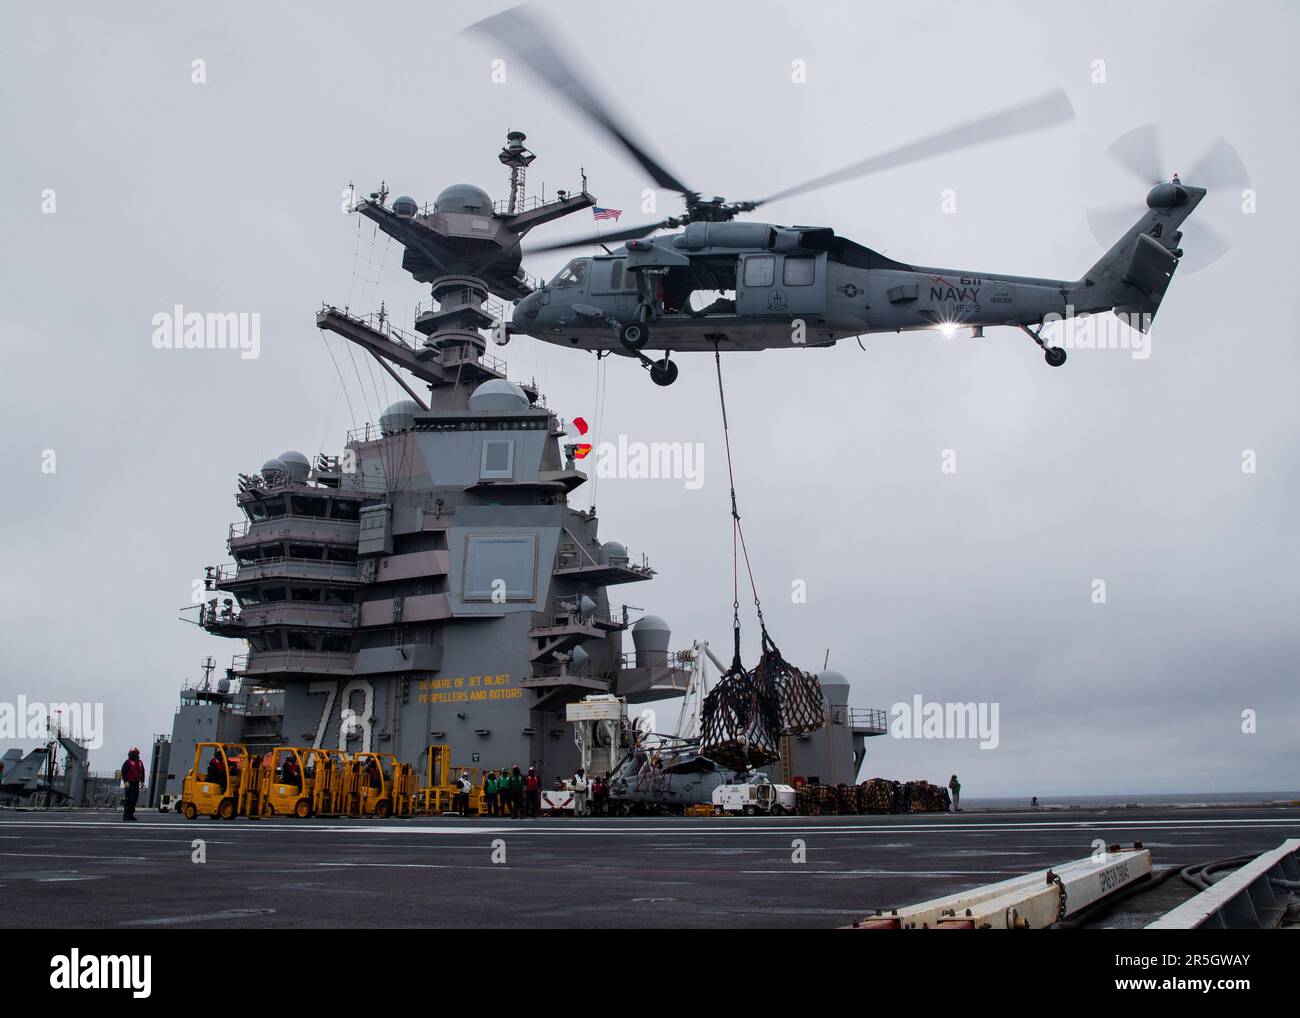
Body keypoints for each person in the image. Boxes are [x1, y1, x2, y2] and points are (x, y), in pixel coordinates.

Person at [121, 747, 145, 822]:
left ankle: (131, 814)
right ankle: (126, 815)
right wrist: (126, 782)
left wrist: (142, 781)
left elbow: (142, 772)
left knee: (135, 798)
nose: (135, 754)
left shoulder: (140, 762)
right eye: (134, 753)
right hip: (129, 782)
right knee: (129, 799)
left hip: (136, 783)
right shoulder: (127, 762)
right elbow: (123, 772)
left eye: (136, 753)